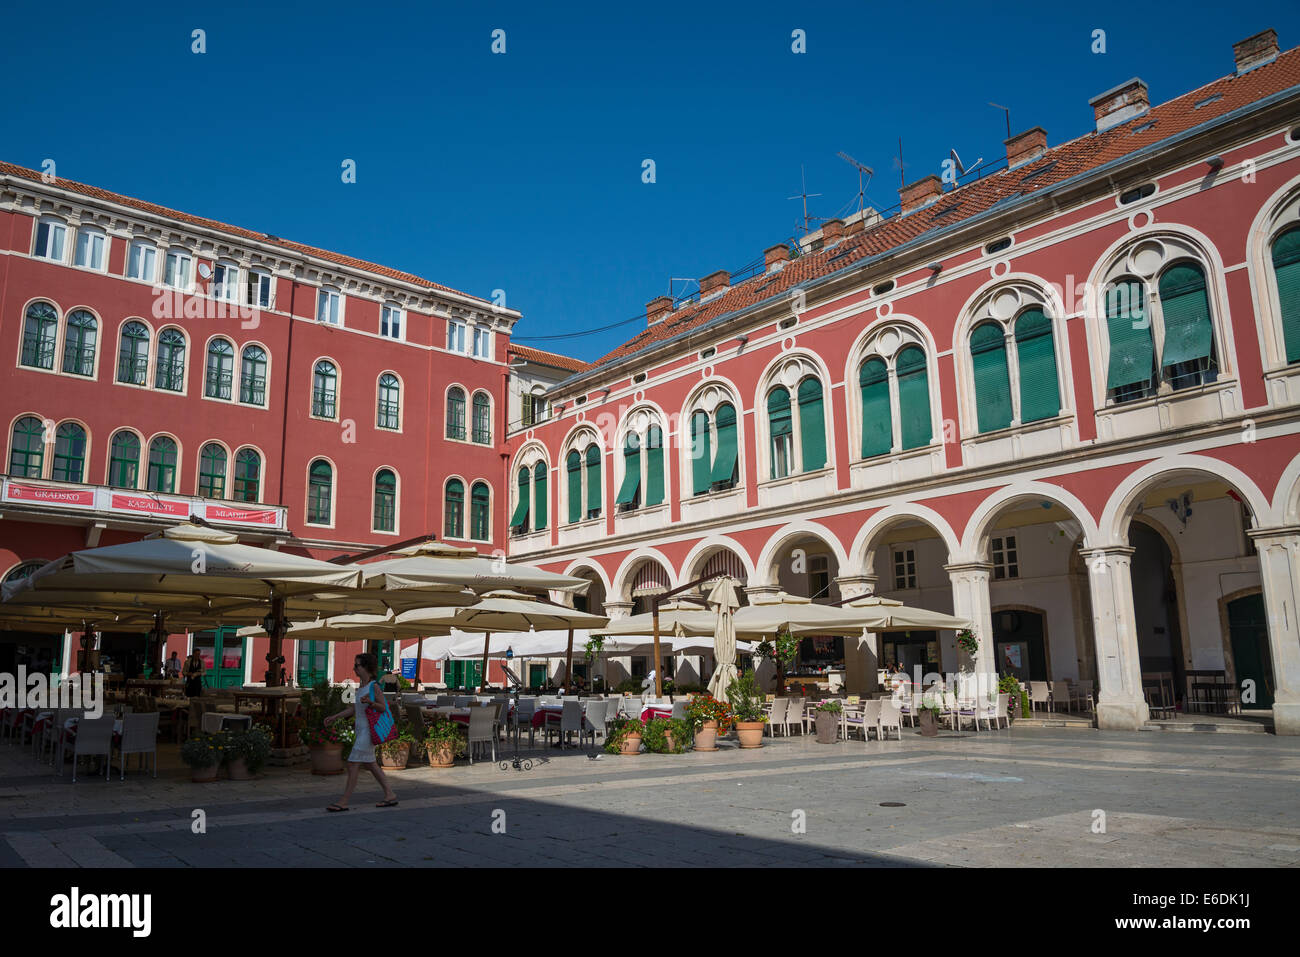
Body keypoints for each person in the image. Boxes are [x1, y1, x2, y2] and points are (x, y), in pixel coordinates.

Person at [325, 653, 398, 812]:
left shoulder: (374, 687)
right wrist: (335, 717)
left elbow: (383, 707)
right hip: (361, 731)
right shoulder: (361, 686)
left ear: (366, 667)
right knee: (371, 764)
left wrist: (370, 702)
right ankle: (390, 794)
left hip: (368, 732)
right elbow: (353, 709)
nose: (354, 668)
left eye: (357, 665)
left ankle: (344, 801)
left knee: (352, 764)